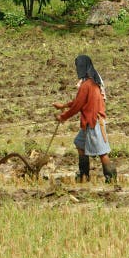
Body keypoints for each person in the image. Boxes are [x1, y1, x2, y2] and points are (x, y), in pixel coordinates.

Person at [53, 55, 117, 183]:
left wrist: (63, 117)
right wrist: (64, 106)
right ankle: (84, 175)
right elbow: (80, 101)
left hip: (94, 122)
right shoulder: (93, 81)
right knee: (79, 143)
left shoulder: (87, 85)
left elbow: (77, 106)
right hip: (89, 122)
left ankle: (111, 178)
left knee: (102, 152)